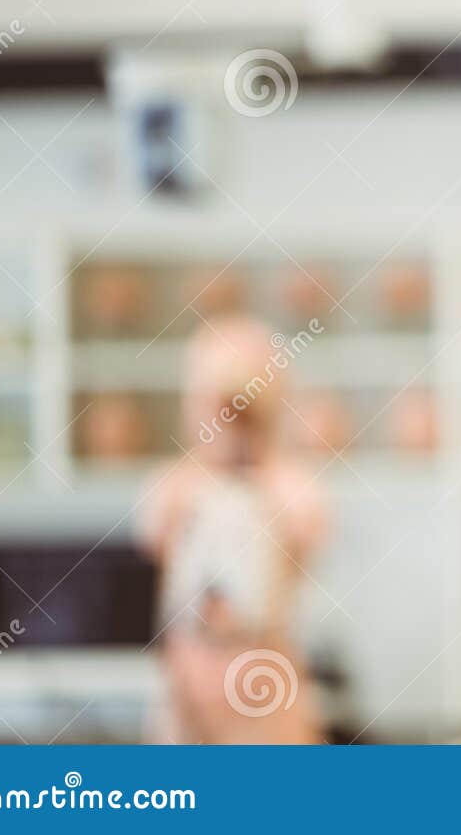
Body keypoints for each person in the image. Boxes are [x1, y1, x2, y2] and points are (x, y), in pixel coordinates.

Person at [138, 315, 328, 743]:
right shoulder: (177, 486)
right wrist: (213, 451)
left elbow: (307, 526)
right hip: (188, 691)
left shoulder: (290, 487)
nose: (231, 415)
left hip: (266, 692)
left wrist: (256, 450)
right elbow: (155, 530)